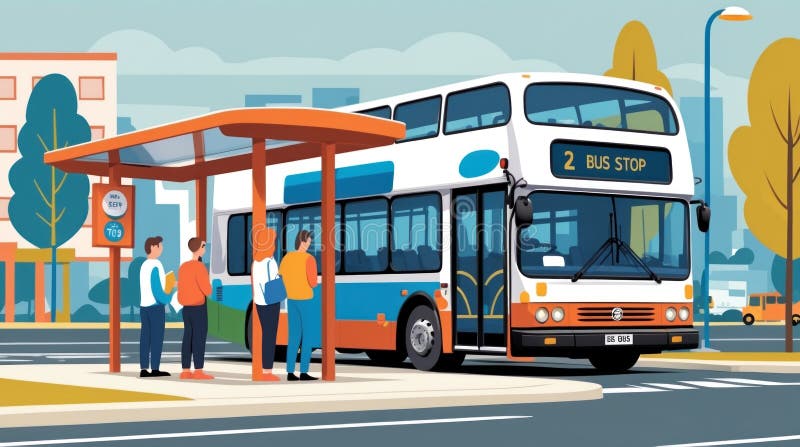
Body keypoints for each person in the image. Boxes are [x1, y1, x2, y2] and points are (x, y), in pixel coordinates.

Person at [279, 230, 319, 381]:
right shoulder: (309, 259)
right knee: (307, 336)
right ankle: (303, 371)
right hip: (306, 300)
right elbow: (313, 283)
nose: (309, 244)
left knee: (293, 336)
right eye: (308, 241)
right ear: (302, 241)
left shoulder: (287, 257)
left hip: (292, 300)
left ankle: (290, 371)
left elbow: (281, 277)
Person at [139, 236, 175, 378]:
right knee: (157, 338)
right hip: (156, 307)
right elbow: (157, 290)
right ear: (153, 247)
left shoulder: (144, 265)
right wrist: (168, 297)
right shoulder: (156, 264)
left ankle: (143, 368)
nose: (162, 248)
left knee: (145, 337)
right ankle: (154, 368)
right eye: (160, 246)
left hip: (144, 306)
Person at [178, 237, 213, 380]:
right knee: (199, 338)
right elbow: (207, 290)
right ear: (198, 248)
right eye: (203, 246)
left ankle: (185, 370)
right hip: (199, 307)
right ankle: (198, 370)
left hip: (186, 308)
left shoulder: (183, 267)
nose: (204, 248)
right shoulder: (200, 267)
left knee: (187, 337)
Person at [251, 227, 281, 382]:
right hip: (271, 302)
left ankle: (265, 370)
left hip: (260, 303)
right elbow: (273, 283)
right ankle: (267, 372)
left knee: (266, 336)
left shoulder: (256, 261)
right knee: (270, 336)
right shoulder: (270, 262)